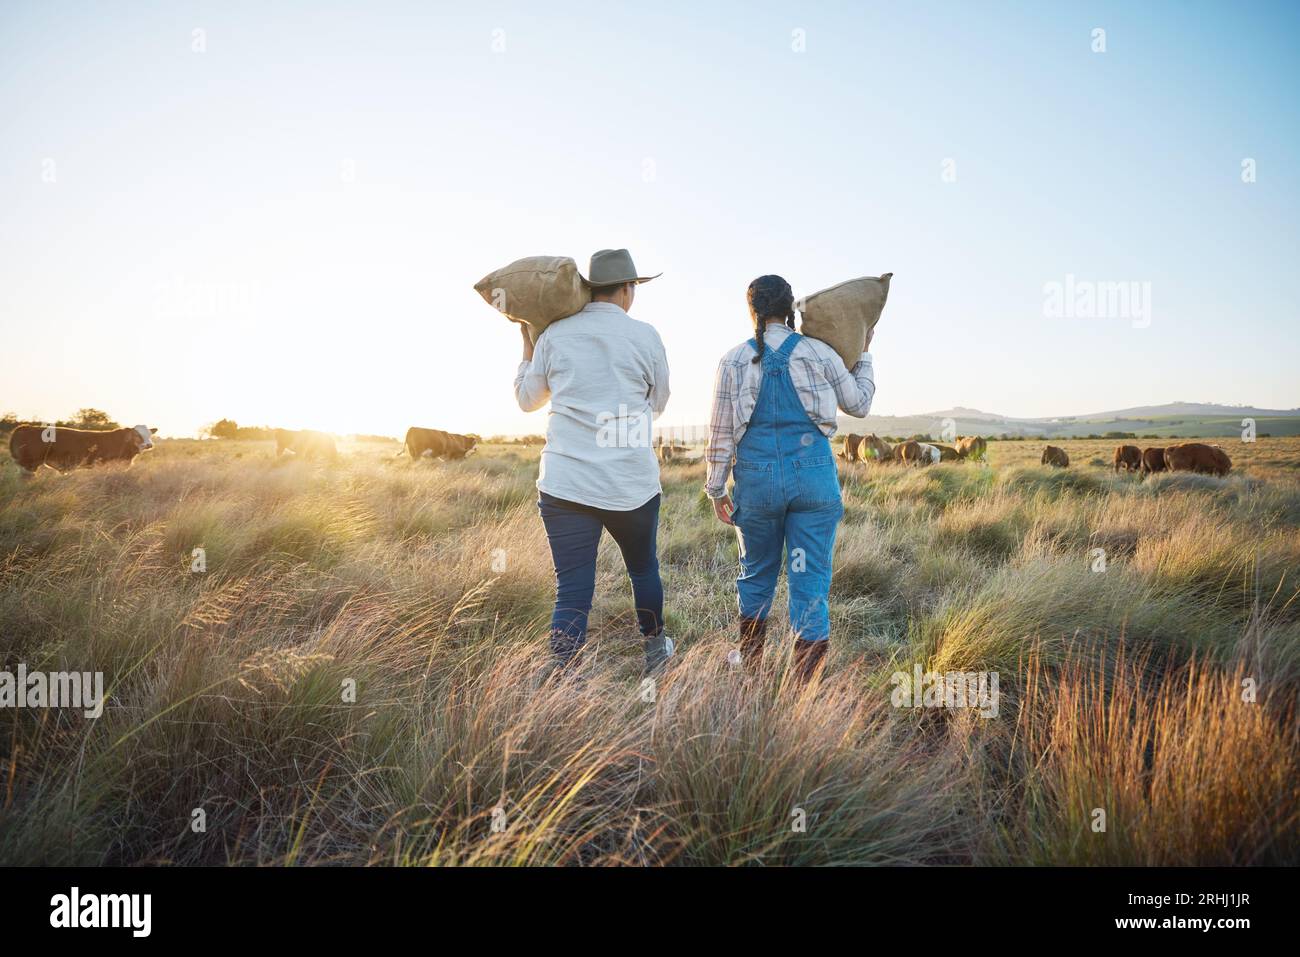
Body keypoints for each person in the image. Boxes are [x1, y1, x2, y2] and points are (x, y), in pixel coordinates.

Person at [704, 274, 876, 678]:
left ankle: (750, 667)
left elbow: (721, 431)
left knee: (757, 572)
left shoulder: (732, 360)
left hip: (758, 483)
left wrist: (715, 489)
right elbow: (860, 404)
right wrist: (865, 355)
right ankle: (805, 687)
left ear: (753, 313)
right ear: (790, 309)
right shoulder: (819, 353)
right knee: (808, 576)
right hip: (814, 483)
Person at [515, 248, 675, 674]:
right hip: (631, 485)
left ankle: (562, 675)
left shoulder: (553, 335)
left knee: (572, 590)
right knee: (643, 571)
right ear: (628, 289)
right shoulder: (646, 336)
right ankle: (655, 652)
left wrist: (527, 345)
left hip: (566, 484)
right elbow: (658, 402)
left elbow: (527, 401)